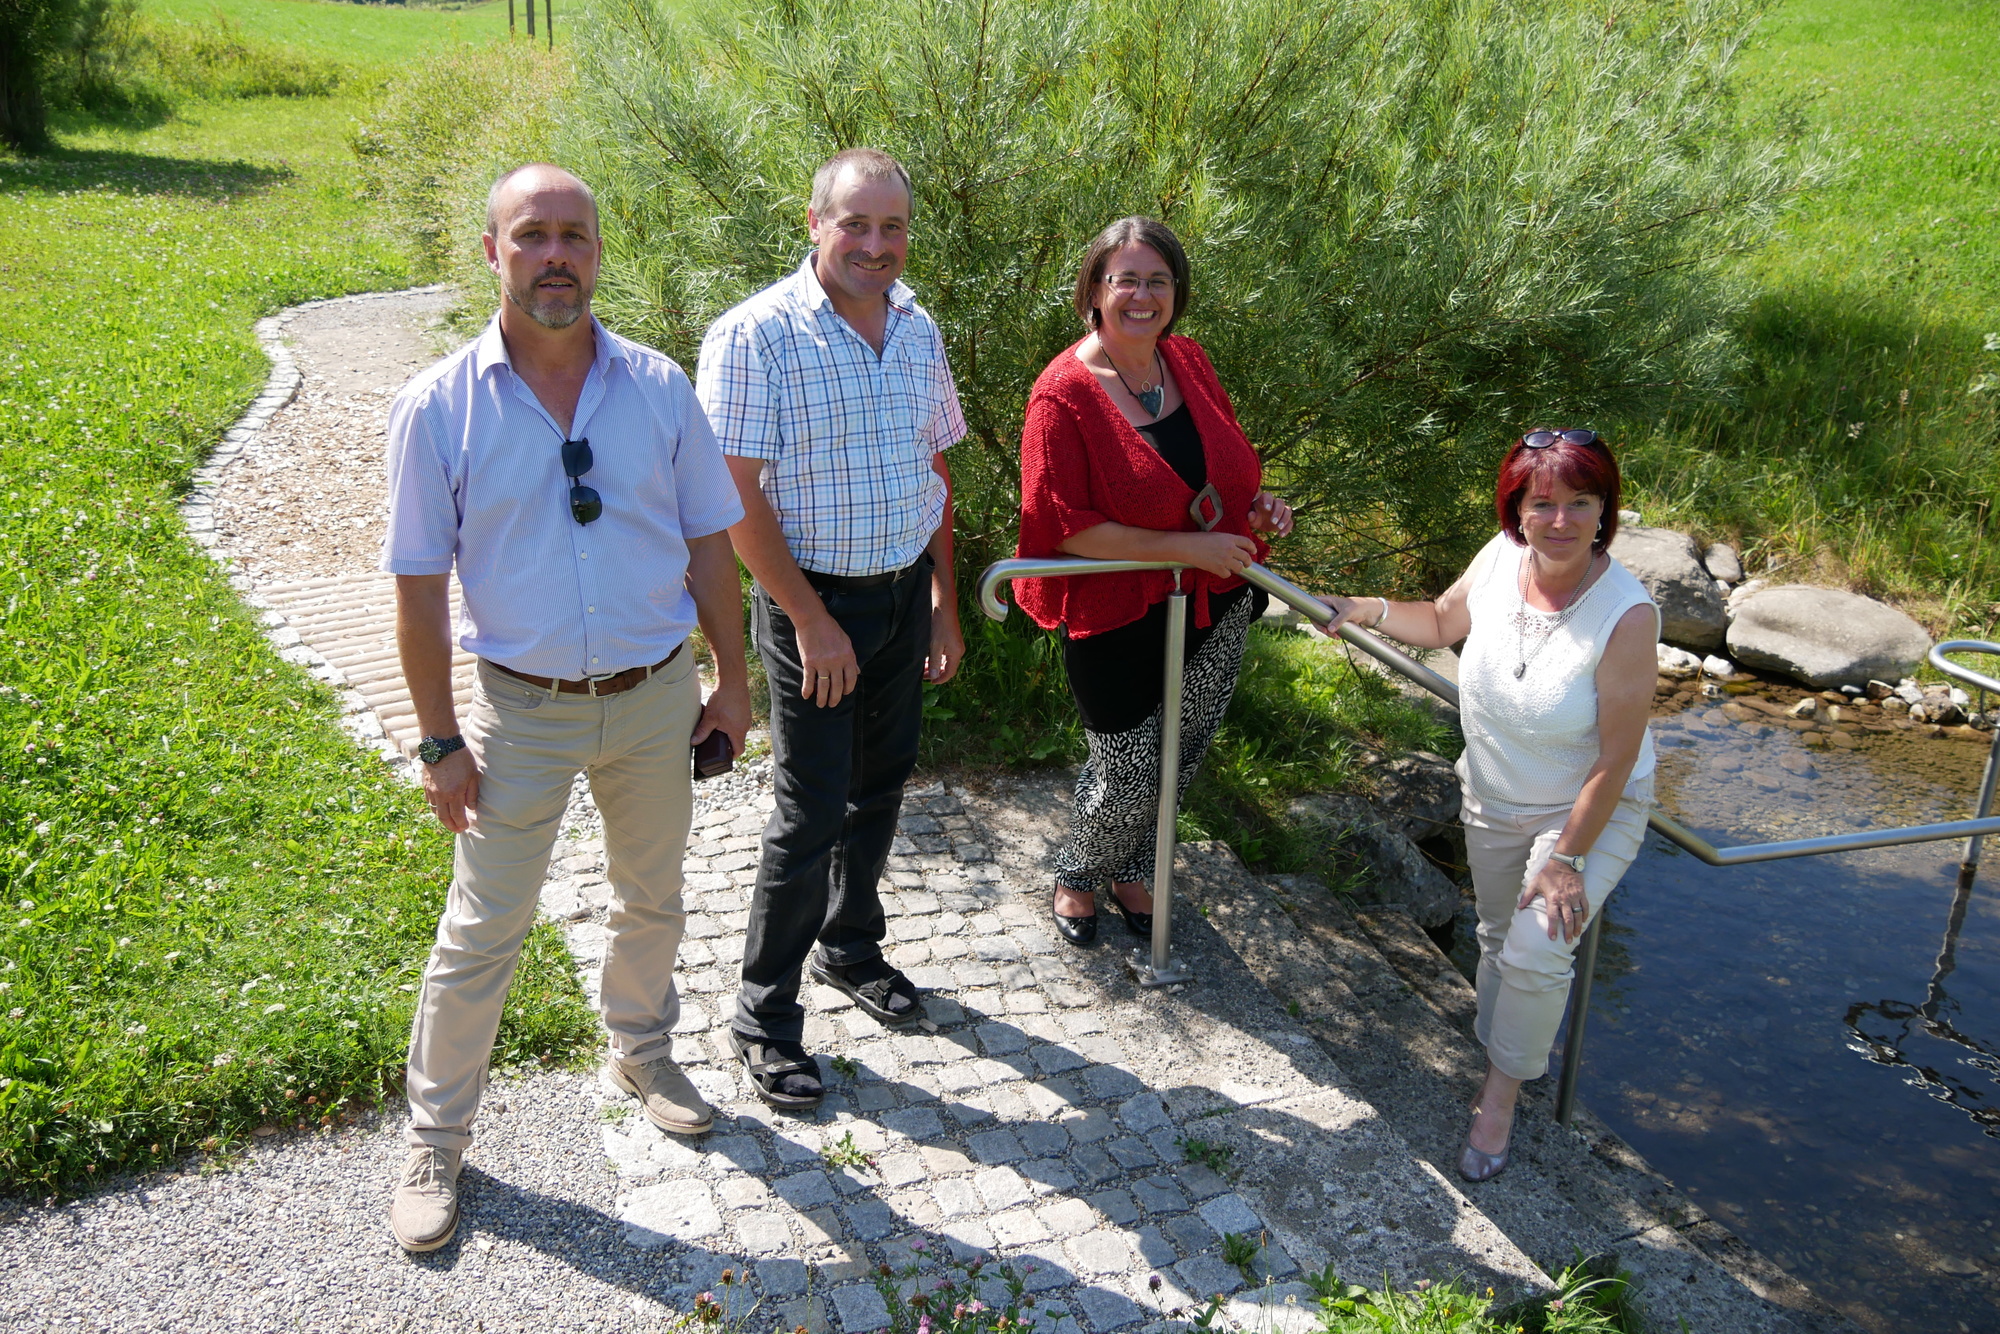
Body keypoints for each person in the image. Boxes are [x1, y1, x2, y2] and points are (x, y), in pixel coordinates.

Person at [380, 164, 751, 1251]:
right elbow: (413, 588)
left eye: (574, 236)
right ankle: (436, 1136)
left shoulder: (658, 387)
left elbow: (708, 546)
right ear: (491, 251)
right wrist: (440, 737)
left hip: (650, 700)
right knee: (482, 928)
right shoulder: (438, 406)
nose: (555, 256)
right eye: (531, 235)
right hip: (518, 713)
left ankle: (641, 1047)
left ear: (598, 250)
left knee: (653, 895)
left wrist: (729, 680)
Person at [696, 148, 966, 1110]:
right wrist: (809, 622)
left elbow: (935, 471)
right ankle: (764, 1016)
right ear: (814, 223)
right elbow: (734, 500)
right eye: (856, 223)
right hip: (814, 605)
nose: (875, 244)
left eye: (892, 227)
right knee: (810, 812)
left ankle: (851, 948)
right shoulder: (756, 336)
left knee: (882, 787)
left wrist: (942, 597)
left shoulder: (920, 327)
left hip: (900, 598)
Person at [1316, 428, 1658, 1182]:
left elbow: (1618, 754)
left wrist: (1567, 858)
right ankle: (1500, 1043)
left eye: (1581, 503)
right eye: (1544, 504)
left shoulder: (1626, 616)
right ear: (1518, 509)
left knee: (1539, 946)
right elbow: (1441, 622)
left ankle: (1499, 1097)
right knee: (1498, 936)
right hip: (1494, 791)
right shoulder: (1501, 558)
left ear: (1606, 510)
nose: (1562, 521)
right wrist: (1362, 608)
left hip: (1586, 811)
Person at [1014, 216, 1294, 947]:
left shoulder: (1189, 363)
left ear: (1177, 292)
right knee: (1127, 765)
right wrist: (1189, 546)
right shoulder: (1062, 395)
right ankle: (1079, 874)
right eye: (1126, 279)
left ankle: (1131, 868)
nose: (1143, 294)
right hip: (1117, 609)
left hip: (1214, 598)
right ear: (1096, 291)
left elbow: (1227, 469)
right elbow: (1067, 527)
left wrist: (1255, 507)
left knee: (1184, 749)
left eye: (1158, 280)